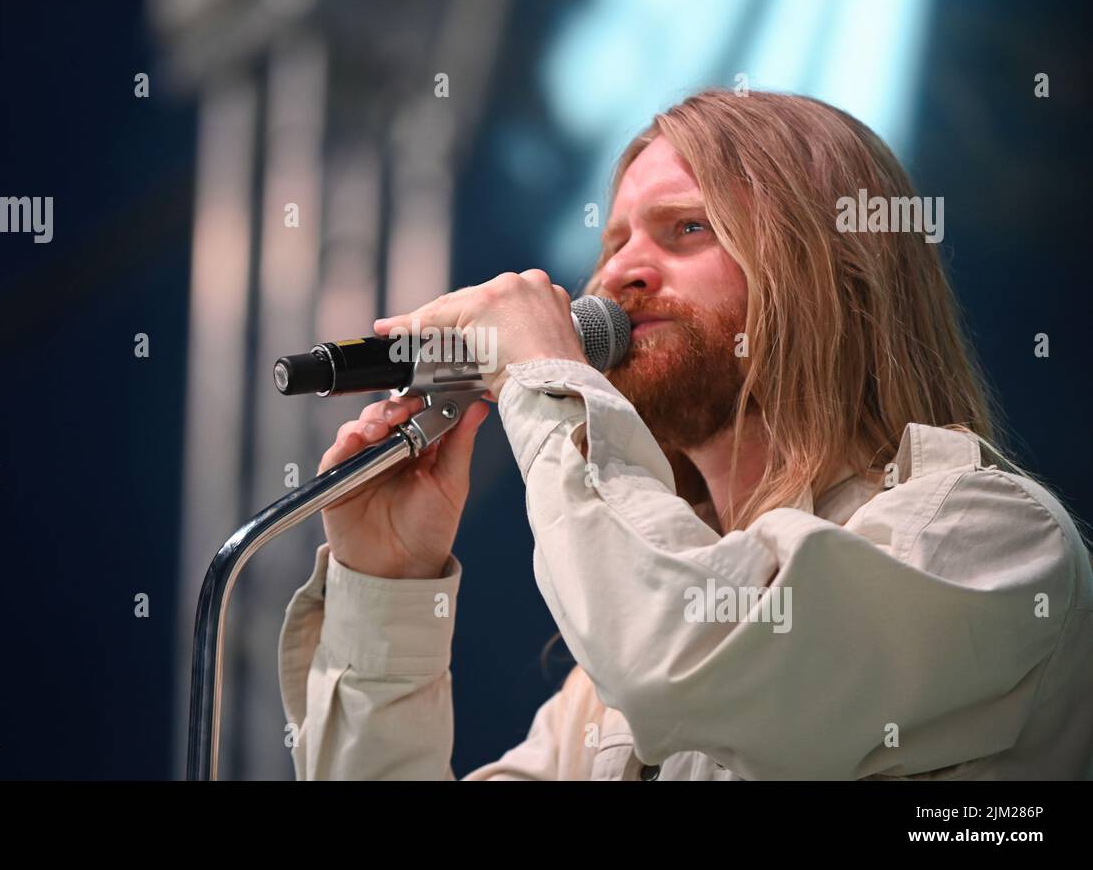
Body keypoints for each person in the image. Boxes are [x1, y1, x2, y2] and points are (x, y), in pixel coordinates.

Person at [276, 89, 1093, 780]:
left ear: (834, 273)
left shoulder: (988, 543)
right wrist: (387, 586)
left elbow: (676, 650)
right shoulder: (601, 701)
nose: (619, 275)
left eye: (687, 230)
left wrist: (545, 378)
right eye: (613, 242)